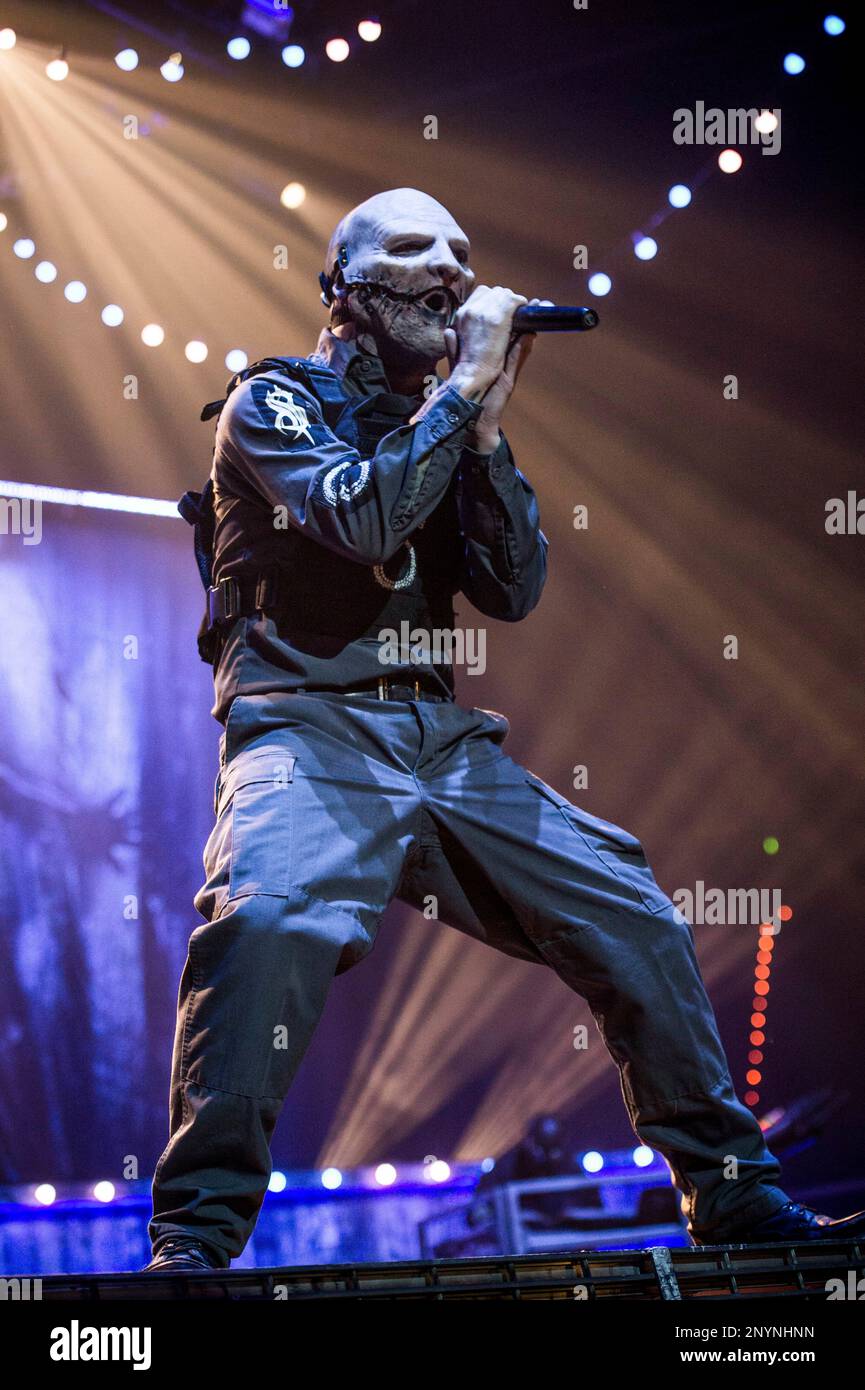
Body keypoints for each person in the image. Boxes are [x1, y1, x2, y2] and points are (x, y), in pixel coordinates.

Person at [145, 188, 864, 1272]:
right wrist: (464, 393)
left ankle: (732, 1195)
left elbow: (512, 587)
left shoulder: (440, 421)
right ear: (341, 291)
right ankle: (193, 1241)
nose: (446, 267)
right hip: (305, 731)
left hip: (438, 740)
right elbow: (357, 516)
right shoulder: (269, 402)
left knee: (630, 908)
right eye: (410, 247)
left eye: (460, 252)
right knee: (270, 923)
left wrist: (482, 434)